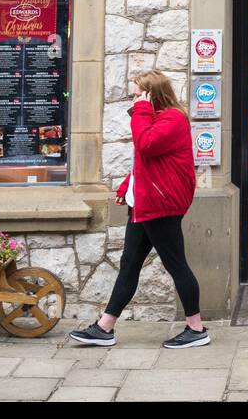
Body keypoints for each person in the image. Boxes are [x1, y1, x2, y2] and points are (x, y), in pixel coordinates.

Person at [69, 70, 206, 349]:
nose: (134, 98)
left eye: (137, 93)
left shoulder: (174, 119)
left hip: (161, 206)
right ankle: (104, 327)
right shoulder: (155, 119)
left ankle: (197, 329)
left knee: (176, 265)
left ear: (151, 95)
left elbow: (147, 145)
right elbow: (146, 163)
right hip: (143, 203)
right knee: (129, 265)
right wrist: (127, 187)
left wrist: (141, 110)